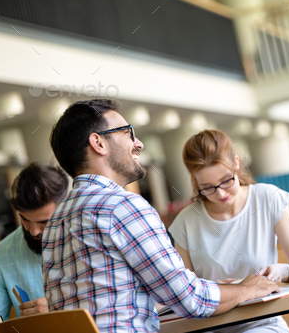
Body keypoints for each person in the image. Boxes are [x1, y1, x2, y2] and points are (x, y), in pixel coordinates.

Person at [43, 99, 277, 333]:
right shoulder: (123, 207)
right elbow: (189, 299)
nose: (139, 143)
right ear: (98, 143)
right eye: (127, 133)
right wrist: (247, 289)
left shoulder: (56, 221)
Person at [168, 129, 289, 333]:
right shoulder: (186, 221)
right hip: (210, 327)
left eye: (226, 180)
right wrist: (210, 288)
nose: (220, 193)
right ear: (195, 182)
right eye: (207, 187)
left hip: (263, 323)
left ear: (236, 163)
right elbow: (184, 290)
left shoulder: (268, 198)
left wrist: (282, 270)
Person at [0, 163, 68, 321]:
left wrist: (60, 310)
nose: (33, 231)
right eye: (25, 219)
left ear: (65, 208)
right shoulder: (0, 257)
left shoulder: (88, 238)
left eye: (43, 222)